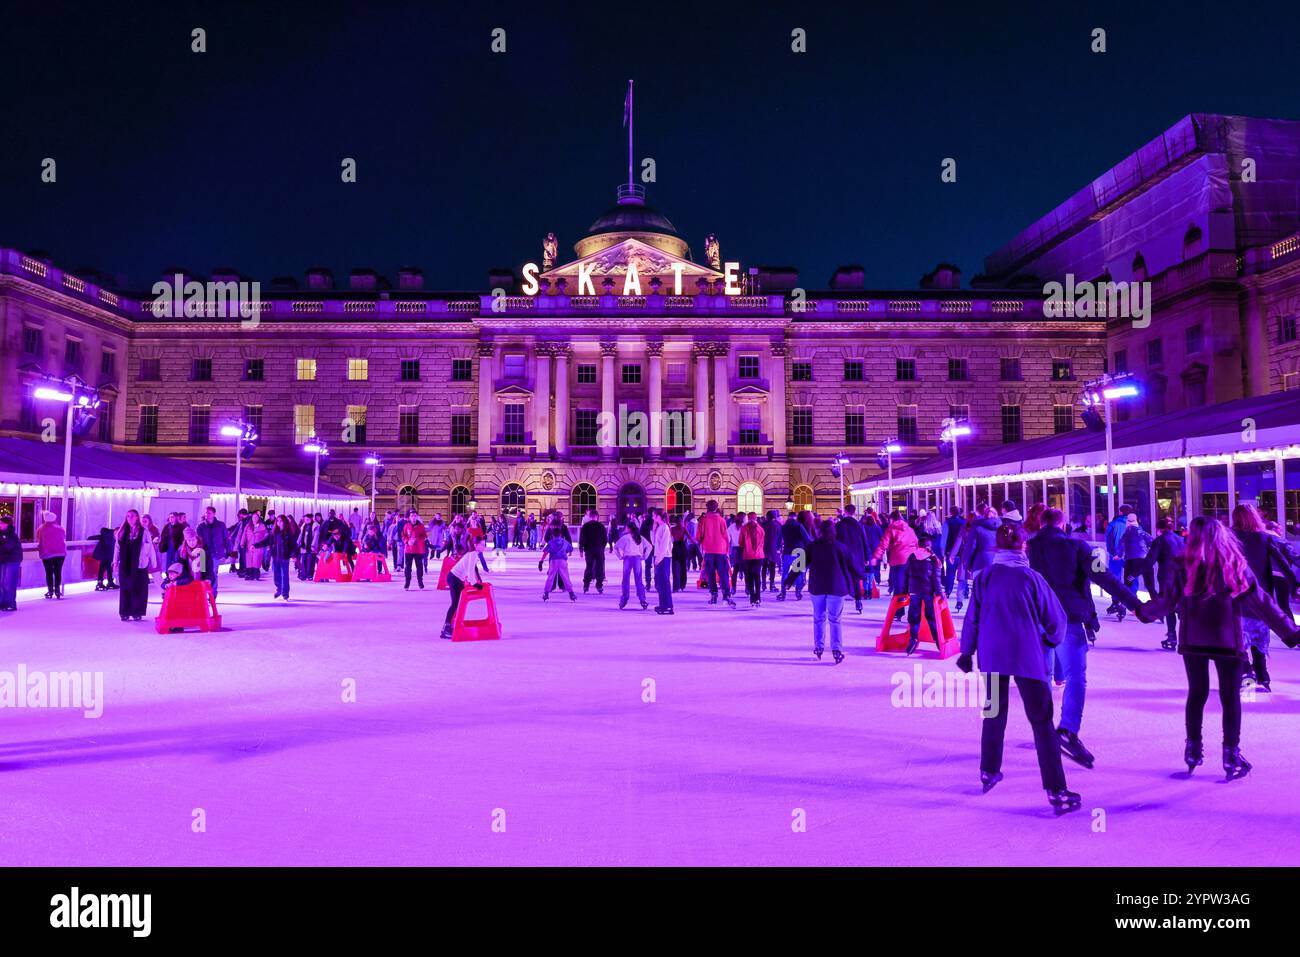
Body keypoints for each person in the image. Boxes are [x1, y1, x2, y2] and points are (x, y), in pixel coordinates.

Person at [1141, 517, 1300, 779]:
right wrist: (1291, 632)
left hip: (1193, 641)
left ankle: (1193, 750)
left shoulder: (1182, 565)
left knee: (1197, 693)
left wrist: (1143, 612)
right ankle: (1230, 755)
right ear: (1221, 536)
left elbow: (1167, 602)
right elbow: (1263, 602)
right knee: (1229, 697)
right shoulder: (1234, 564)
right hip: (1227, 640)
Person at [957, 523, 1079, 815]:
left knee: (994, 715)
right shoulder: (1031, 578)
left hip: (993, 656)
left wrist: (966, 651)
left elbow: (972, 618)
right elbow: (1057, 619)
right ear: (1023, 547)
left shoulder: (985, 578)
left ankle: (989, 770)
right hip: (1027, 657)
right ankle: (1056, 788)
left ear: (997, 549)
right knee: (1041, 723)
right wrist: (1051, 639)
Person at [1027, 507, 1143, 768]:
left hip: (1039, 619)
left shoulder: (1030, 547)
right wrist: (1135, 604)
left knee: (1043, 675)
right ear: (1064, 523)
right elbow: (1106, 578)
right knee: (1075, 676)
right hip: (1068, 618)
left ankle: (1043, 729)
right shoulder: (1078, 548)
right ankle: (1068, 729)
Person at [1229, 503, 1295, 692]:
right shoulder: (1265, 539)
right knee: (1258, 638)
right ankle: (1262, 675)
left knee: (1238, 639)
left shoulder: (1228, 538)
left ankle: (1246, 672)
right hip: (1260, 598)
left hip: (1235, 596)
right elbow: (1283, 564)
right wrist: (1294, 585)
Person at [805, 519, 856, 663]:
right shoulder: (840, 547)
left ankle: (819, 646)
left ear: (819, 531)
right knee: (835, 619)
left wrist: (790, 579)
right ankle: (836, 649)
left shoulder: (812, 546)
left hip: (817, 587)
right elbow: (851, 566)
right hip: (836, 587)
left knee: (818, 618)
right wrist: (861, 576)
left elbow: (801, 564)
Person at [1135, 516, 1186, 650]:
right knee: (1182, 607)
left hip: (1167, 577)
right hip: (1183, 578)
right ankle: (1186, 636)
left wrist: (1136, 574)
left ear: (1159, 529)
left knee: (1168, 606)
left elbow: (1149, 561)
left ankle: (1171, 635)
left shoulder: (1160, 540)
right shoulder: (1181, 539)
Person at [113, 509, 159, 622]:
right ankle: (124, 612)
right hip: (125, 564)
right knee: (125, 588)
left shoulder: (144, 531)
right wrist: (115, 561)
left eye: (132, 516)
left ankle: (137, 612)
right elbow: (117, 548)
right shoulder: (122, 532)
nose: (130, 518)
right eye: (128, 516)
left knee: (138, 588)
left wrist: (154, 562)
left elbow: (150, 547)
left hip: (139, 564)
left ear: (137, 517)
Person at [902, 533, 943, 655]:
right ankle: (938, 641)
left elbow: (905, 574)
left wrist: (904, 590)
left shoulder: (912, 557)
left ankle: (913, 639)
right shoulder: (932, 559)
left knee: (914, 617)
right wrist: (939, 592)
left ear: (918, 546)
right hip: (928, 592)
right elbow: (936, 578)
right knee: (931, 617)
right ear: (929, 546)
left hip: (914, 591)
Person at [874, 510, 919, 618]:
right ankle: (912, 613)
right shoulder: (909, 529)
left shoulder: (891, 529)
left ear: (891, 519)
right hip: (910, 559)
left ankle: (899, 611)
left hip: (897, 560)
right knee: (909, 586)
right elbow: (916, 542)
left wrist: (876, 557)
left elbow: (883, 544)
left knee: (898, 587)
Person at [440, 538, 487, 640]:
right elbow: (470, 571)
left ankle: (450, 626)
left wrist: (475, 581)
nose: (484, 546)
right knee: (455, 603)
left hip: (457, 578)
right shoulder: (473, 554)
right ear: (475, 545)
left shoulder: (473, 555)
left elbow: (471, 570)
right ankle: (446, 627)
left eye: (484, 544)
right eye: (482, 544)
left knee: (458, 603)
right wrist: (475, 584)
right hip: (454, 578)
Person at [697, 500, 735, 607]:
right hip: (721, 550)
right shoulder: (722, 520)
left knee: (711, 574)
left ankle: (713, 596)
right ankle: (726, 596)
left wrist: (702, 544)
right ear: (717, 507)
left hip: (708, 550)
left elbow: (698, 536)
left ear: (707, 507)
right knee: (723, 574)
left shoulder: (703, 520)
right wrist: (727, 550)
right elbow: (726, 537)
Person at [836, 504, 870, 612]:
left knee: (841, 578)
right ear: (854, 512)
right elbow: (865, 542)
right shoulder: (859, 525)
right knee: (855, 579)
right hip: (857, 556)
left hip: (843, 555)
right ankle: (858, 601)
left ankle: (839, 605)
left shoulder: (840, 525)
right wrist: (866, 558)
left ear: (845, 511)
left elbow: (836, 541)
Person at [613, 518, 652, 610]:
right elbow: (649, 546)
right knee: (638, 579)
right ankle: (642, 599)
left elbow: (616, 547)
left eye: (626, 528)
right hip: (637, 559)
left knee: (625, 579)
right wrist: (644, 556)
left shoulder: (625, 537)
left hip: (627, 559)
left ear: (629, 529)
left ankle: (624, 599)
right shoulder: (640, 537)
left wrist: (620, 556)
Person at [1104, 504, 1135, 614]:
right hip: (1131, 557)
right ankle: (1131, 602)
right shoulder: (1136, 525)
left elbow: (1109, 540)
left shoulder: (1113, 524)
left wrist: (1112, 553)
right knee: (1132, 578)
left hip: (1117, 556)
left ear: (1120, 512)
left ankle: (1116, 601)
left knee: (1115, 579)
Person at [778, 510, 813, 601]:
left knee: (785, 573)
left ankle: (783, 592)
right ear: (795, 517)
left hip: (787, 552)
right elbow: (807, 539)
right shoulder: (799, 525)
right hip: (798, 551)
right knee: (798, 573)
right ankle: (797, 592)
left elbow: (780, 539)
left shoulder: (784, 526)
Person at [194, 507, 229, 596]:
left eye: (209, 513)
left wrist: (228, 551)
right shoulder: (201, 526)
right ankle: (203, 593)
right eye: (206, 513)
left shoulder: (220, 525)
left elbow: (226, 539)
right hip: (203, 554)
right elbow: (197, 540)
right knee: (202, 573)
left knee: (213, 573)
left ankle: (212, 593)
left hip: (215, 554)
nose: (207, 514)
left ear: (214, 514)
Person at [540, 519, 577, 601]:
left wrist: (541, 561)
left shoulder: (551, 542)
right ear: (560, 534)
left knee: (550, 577)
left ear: (552, 535)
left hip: (553, 561)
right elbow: (570, 549)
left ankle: (546, 593)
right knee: (566, 577)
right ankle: (571, 594)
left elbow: (545, 552)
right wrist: (566, 551)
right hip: (563, 561)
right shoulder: (564, 542)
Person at [649, 508, 675, 615]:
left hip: (663, 558)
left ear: (658, 516)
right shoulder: (660, 527)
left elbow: (664, 546)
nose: (652, 517)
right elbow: (655, 544)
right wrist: (653, 530)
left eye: (654, 515)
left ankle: (668, 606)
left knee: (664, 582)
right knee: (660, 582)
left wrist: (658, 560)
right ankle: (663, 604)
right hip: (660, 557)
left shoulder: (665, 528)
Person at [36, 510, 67, 600]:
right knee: (58, 572)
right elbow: (63, 538)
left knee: (49, 572)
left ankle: (50, 590)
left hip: (47, 553)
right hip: (60, 553)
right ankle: (57, 590)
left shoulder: (41, 529)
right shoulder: (60, 528)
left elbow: (39, 540)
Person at [739, 512, 766, 606]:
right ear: (756, 519)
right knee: (757, 576)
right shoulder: (761, 530)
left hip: (747, 555)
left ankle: (752, 599)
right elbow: (763, 543)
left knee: (750, 577)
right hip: (759, 556)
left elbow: (741, 543)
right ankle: (758, 597)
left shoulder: (744, 529)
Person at [579, 508, 608, 593]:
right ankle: (599, 585)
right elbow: (605, 539)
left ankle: (586, 585)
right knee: (599, 567)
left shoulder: (585, 526)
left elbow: (582, 539)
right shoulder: (601, 526)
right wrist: (602, 547)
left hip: (589, 549)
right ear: (597, 517)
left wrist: (581, 549)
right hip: (599, 549)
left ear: (590, 516)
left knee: (589, 567)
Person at [269, 514, 297, 600]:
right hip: (275, 557)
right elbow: (266, 541)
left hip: (285, 557)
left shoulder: (289, 533)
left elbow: (293, 545)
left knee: (284, 575)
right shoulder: (274, 532)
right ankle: (279, 589)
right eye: (277, 521)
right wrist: (255, 545)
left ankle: (285, 593)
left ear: (284, 522)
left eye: (280, 521)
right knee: (276, 575)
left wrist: (294, 555)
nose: (279, 522)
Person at [0, 514, 22, 612]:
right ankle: (3, 603)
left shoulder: (12, 535)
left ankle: (11, 603)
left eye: (1, 523)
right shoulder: (1, 534)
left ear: (7, 524)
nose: (0, 524)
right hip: (3, 560)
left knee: (9, 582)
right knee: (2, 582)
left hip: (12, 560)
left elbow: (8, 547)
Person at [239, 513, 270, 581]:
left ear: (258, 518)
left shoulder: (262, 526)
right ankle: (249, 574)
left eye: (256, 517)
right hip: (249, 546)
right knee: (249, 561)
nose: (254, 519)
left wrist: (267, 544)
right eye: (253, 517)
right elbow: (244, 535)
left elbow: (266, 535)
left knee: (256, 560)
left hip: (258, 546)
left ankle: (256, 574)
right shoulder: (248, 526)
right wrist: (242, 543)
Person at [402, 514, 429, 590]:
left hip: (418, 550)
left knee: (419, 567)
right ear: (409, 517)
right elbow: (403, 536)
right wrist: (407, 541)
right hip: (408, 550)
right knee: (408, 567)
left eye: (415, 516)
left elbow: (424, 536)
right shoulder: (406, 525)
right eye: (412, 516)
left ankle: (420, 582)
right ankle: (407, 582)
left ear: (417, 517)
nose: (413, 517)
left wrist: (417, 540)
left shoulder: (421, 526)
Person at [90, 525, 118, 590]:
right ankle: (100, 582)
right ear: (114, 531)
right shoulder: (107, 535)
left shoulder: (116, 537)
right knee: (102, 568)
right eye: (116, 532)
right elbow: (99, 536)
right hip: (103, 555)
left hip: (109, 555)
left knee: (109, 568)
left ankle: (110, 582)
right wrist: (89, 538)